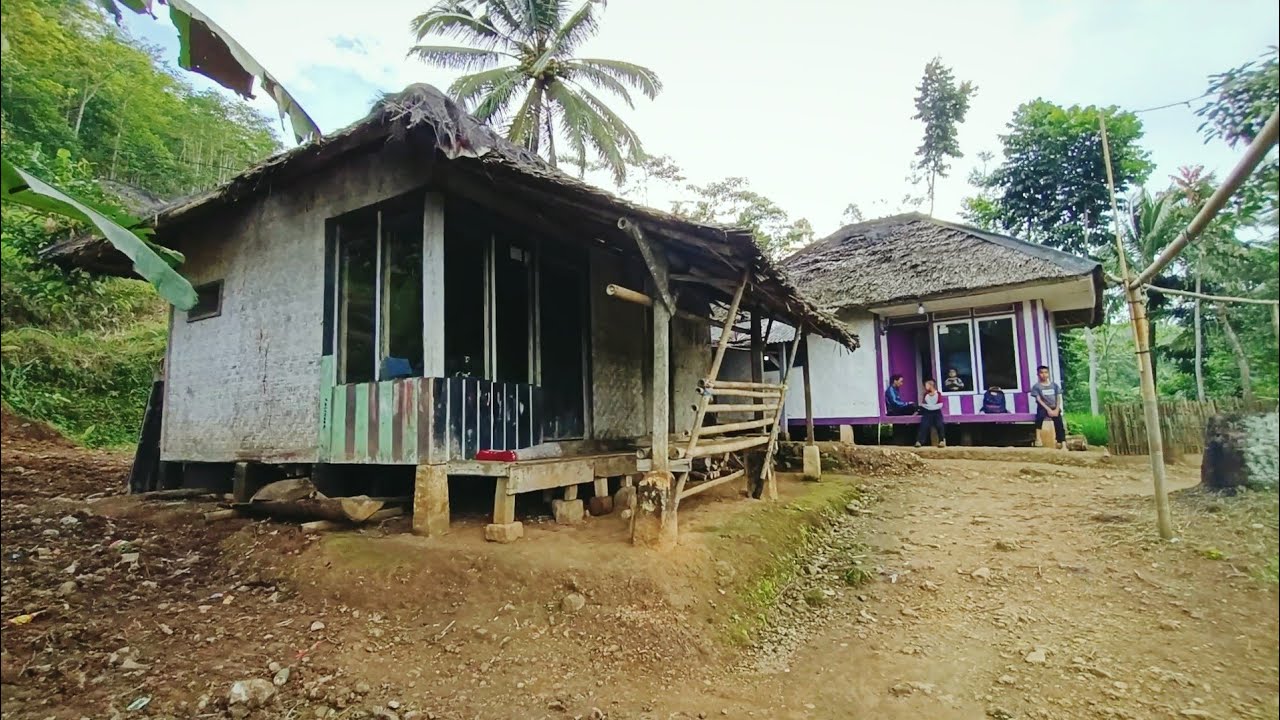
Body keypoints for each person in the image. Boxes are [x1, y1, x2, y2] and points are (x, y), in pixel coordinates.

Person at [1030, 365, 1067, 449]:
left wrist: (1057, 409)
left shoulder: (1054, 385)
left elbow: (1058, 397)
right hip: (1044, 407)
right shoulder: (1037, 386)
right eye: (1042, 373)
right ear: (1038, 374)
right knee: (1039, 417)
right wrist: (1048, 409)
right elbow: (1038, 399)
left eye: (1046, 372)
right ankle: (1038, 438)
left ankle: (1062, 443)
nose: (1044, 375)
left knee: (1059, 424)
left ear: (1048, 374)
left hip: (1054, 407)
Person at [915, 379, 946, 448]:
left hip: (936, 412)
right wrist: (929, 406)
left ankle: (942, 441)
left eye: (926, 385)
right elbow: (923, 404)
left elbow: (940, 404)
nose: (925, 387)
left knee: (939, 425)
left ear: (931, 385)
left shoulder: (938, 394)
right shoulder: (925, 395)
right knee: (924, 425)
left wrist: (930, 406)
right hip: (927, 412)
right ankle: (919, 441)